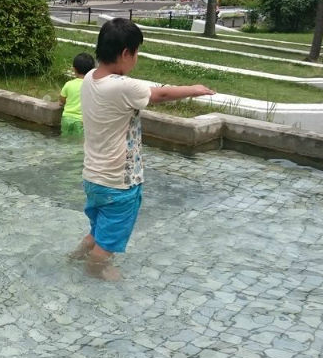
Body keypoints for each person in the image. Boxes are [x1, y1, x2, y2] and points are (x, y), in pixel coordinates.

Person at [70, 18, 215, 280]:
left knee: (98, 232)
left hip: (93, 178)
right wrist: (195, 89)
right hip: (119, 184)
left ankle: (71, 260)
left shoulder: (90, 77)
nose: (136, 58)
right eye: (136, 53)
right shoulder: (125, 87)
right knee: (106, 245)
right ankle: (91, 276)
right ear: (126, 53)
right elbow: (160, 95)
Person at [59, 53, 95, 136]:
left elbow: (62, 100)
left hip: (66, 118)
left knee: (64, 141)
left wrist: (63, 103)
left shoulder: (68, 84)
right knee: (77, 145)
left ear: (74, 69)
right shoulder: (91, 86)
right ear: (91, 71)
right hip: (80, 121)